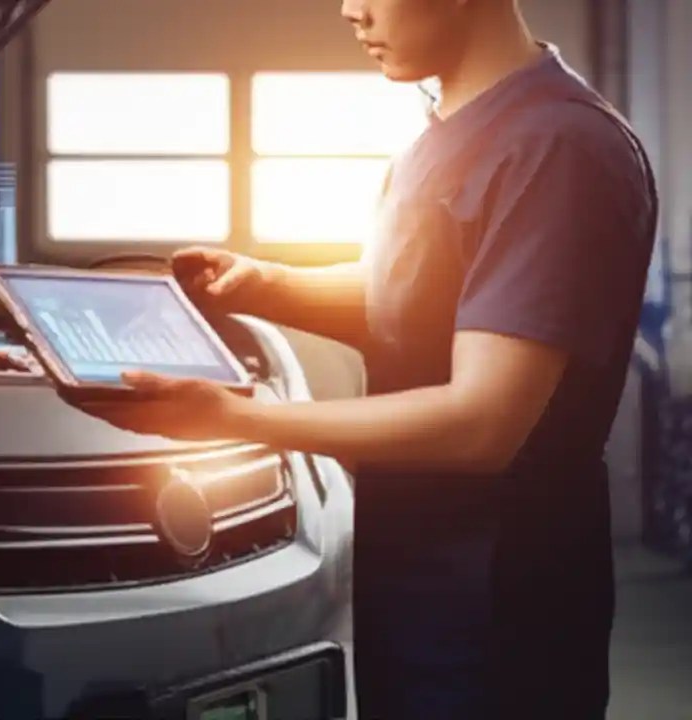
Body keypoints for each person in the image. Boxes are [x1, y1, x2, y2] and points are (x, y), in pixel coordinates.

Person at [72, 0, 658, 718]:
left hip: (498, 603)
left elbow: (482, 422)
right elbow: (437, 297)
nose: (350, 10)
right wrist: (266, 286)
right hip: (414, 583)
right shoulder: (448, 126)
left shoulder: (558, 148)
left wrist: (244, 418)